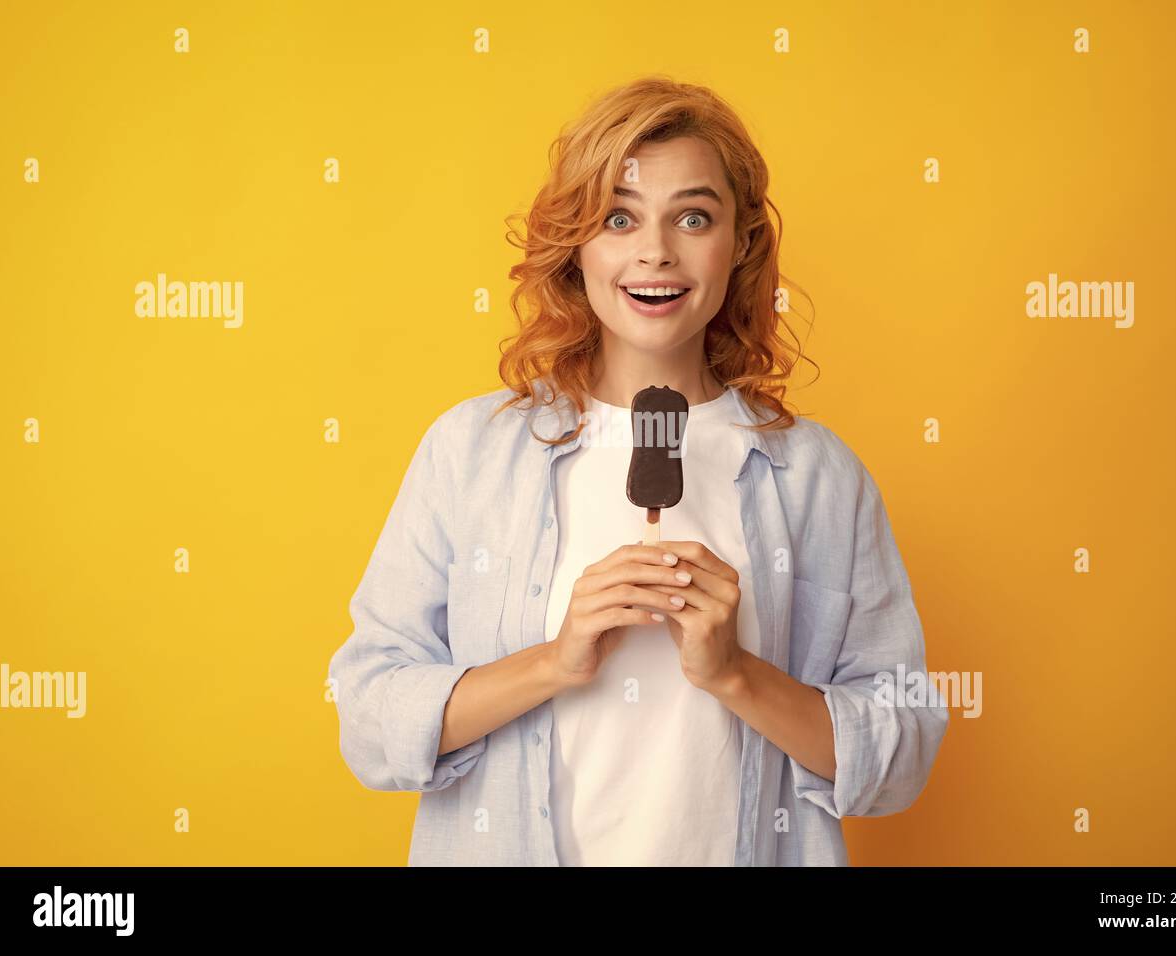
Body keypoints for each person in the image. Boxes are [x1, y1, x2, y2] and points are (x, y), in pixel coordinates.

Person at [328, 75, 948, 866]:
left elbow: (903, 754)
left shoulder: (820, 477)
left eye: (693, 217)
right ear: (577, 245)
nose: (656, 250)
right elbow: (369, 720)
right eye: (619, 218)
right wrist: (555, 662)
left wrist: (734, 674)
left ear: (741, 245)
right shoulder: (469, 453)